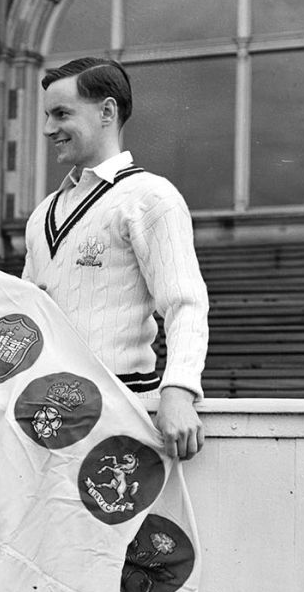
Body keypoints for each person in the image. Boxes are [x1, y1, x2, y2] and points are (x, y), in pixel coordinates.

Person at [23, 57, 208, 459]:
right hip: (47, 416)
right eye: (46, 115)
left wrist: (177, 391)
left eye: (61, 114)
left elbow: (185, 304)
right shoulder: (42, 214)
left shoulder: (150, 197)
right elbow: (26, 316)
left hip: (123, 411)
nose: (48, 129)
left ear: (107, 111)